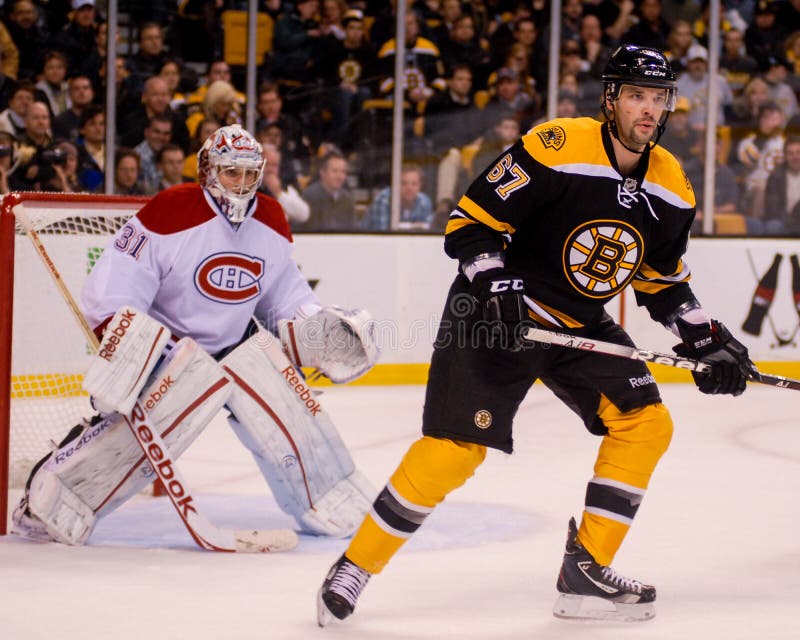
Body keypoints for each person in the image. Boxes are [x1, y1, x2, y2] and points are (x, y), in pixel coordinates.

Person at [316, 44, 759, 626]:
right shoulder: (557, 145)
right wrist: (493, 281)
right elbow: (470, 223)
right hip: (494, 315)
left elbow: (662, 281)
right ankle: (355, 565)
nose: (649, 110)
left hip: (579, 324)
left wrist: (706, 338)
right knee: (453, 452)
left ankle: (586, 571)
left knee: (647, 423)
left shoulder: (673, 185)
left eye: (659, 98)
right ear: (611, 99)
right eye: (636, 96)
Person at [12, 124, 379, 547]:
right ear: (208, 170)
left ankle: (334, 499)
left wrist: (316, 325)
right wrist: (131, 352)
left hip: (236, 347)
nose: (242, 184)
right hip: (170, 353)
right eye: (231, 172)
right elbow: (114, 286)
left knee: (291, 408)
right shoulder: (171, 210)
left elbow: (283, 294)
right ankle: (53, 499)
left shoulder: (271, 219)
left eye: (250, 174)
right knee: (130, 442)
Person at [362, 163, 433, 231]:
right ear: (395, 184)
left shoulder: (424, 202)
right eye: (404, 183)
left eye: (414, 184)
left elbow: (425, 231)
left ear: (420, 186)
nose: (409, 188)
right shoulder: (384, 199)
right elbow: (382, 235)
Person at [299, 149, 356, 230]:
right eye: (335, 171)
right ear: (322, 172)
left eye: (343, 172)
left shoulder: (348, 200)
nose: (340, 176)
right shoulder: (309, 197)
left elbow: (353, 232)